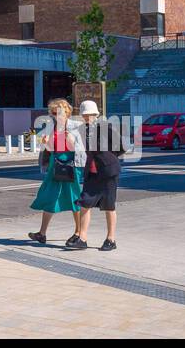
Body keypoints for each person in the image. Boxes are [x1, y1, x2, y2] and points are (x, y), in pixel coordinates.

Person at [27, 98, 86, 245]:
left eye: (56, 112)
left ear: (66, 112)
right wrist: (46, 143)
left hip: (72, 165)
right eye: (52, 113)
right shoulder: (51, 126)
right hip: (55, 164)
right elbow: (52, 149)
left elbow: (82, 149)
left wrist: (70, 140)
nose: (53, 115)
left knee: (75, 198)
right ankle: (42, 233)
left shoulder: (76, 126)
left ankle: (78, 232)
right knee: (49, 195)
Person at [76, 99, 122, 251]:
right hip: (92, 172)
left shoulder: (106, 127)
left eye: (89, 115)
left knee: (109, 205)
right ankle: (82, 238)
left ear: (96, 114)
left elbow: (120, 147)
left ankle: (111, 239)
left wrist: (108, 157)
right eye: (84, 115)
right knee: (85, 203)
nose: (87, 118)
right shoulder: (83, 129)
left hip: (108, 172)